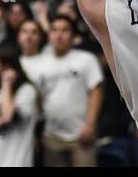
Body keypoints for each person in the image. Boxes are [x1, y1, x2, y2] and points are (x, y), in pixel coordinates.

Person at [28, 14, 103, 167]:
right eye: (54, 30)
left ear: (73, 35)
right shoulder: (39, 64)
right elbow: (37, 101)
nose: (59, 35)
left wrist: (90, 125)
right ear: (48, 35)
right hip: (51, 137)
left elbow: (96, 92)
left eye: (64, 30)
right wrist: (35, 133)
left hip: (81, 136)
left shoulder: (86, 59)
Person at [0, 44, 39, 167]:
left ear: (7, 67)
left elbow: (8, 116)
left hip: (15, 160)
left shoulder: (26, 91)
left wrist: (6, 84)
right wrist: (0, 122)